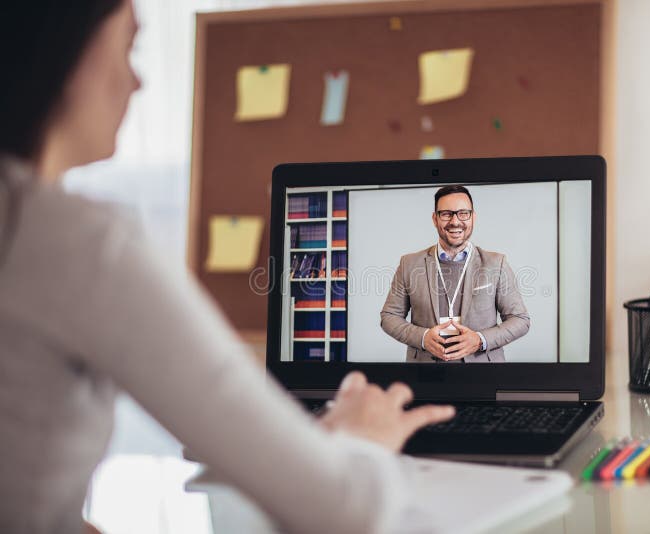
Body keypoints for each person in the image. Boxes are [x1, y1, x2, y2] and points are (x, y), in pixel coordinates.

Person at [0, 2, 455, 533]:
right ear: (58, 49)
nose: (138, 81)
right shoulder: (73, 243)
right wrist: (360, 441)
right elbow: (346, 511)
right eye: (128, 47)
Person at [381, 185, 530, 362]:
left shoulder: (496, 263)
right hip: (425, 372)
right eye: (446, 214)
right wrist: (422, 337)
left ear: (473, 217)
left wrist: (480, 340)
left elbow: (520, 320)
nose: (455, 221)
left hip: (483, 372)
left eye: (463, 213)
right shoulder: (409, 264)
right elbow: (389, 317)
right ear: (435, 219)